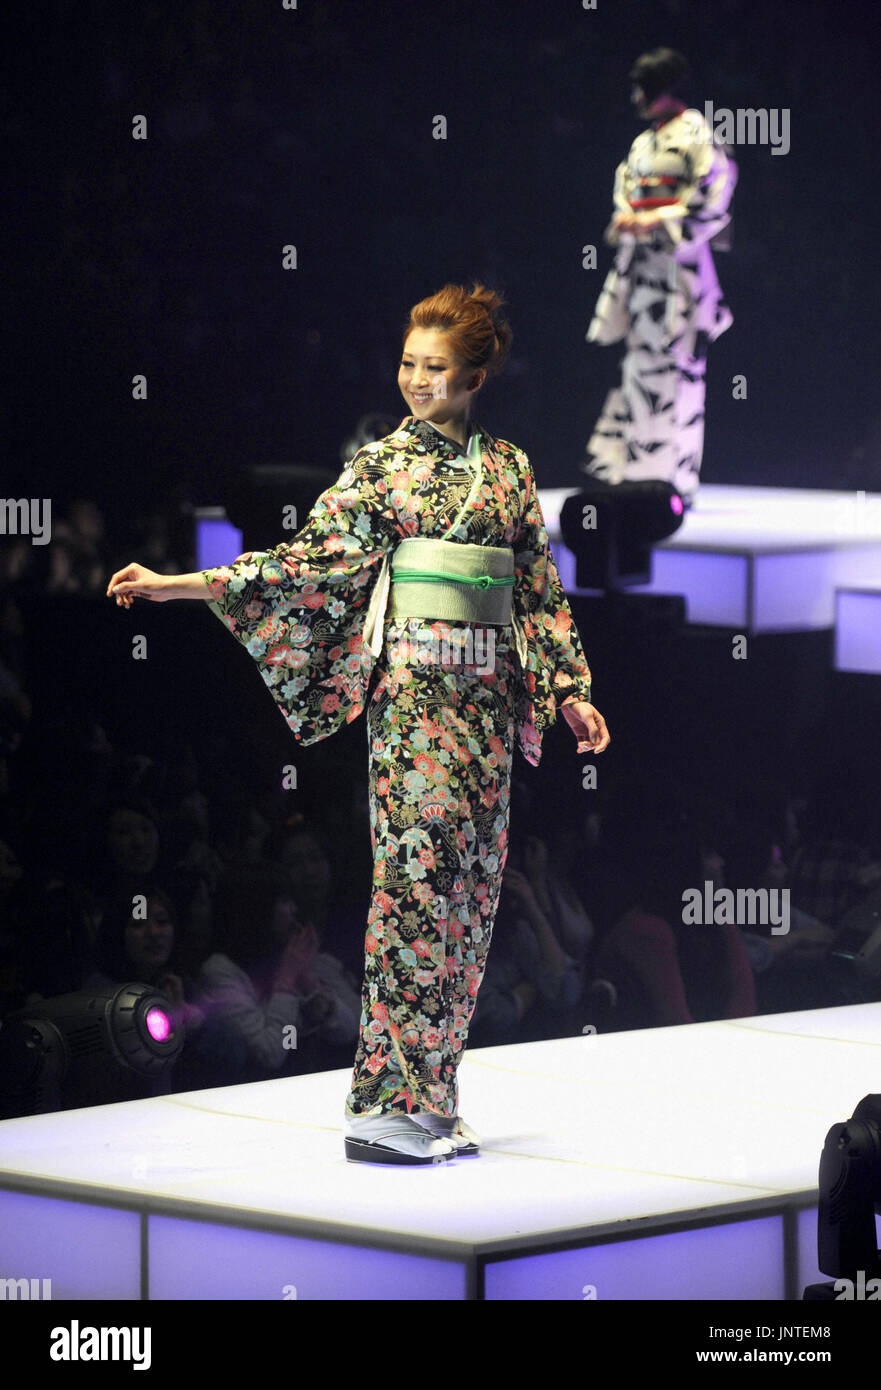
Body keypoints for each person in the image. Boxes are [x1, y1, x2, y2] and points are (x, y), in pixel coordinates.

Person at [107, 282, 610, 1164]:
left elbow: (535, 590)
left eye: (436, 368)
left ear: (477, 375)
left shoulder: (511, 469)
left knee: (469, 897)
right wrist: (182, 584)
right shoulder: (381, 467)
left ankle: (432, 1097)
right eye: (409, 365)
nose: (417, 381)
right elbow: (305, 563)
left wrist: (568, 690)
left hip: (487, 705)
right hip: (414, 703)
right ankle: (381, 1103)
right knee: (413, 892)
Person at [583, 48, 736, 505]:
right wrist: (629, 217)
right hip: (642, 270)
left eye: (643, 88)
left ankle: (676, 481)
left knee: (680, 371)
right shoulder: (643, 143)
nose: (636, 98)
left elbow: (713, 197)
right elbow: (625, 190)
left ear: (665, 89)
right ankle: (634, 473)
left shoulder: (698, 136)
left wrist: (656, 219)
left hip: (679, 270)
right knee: (639, 367)